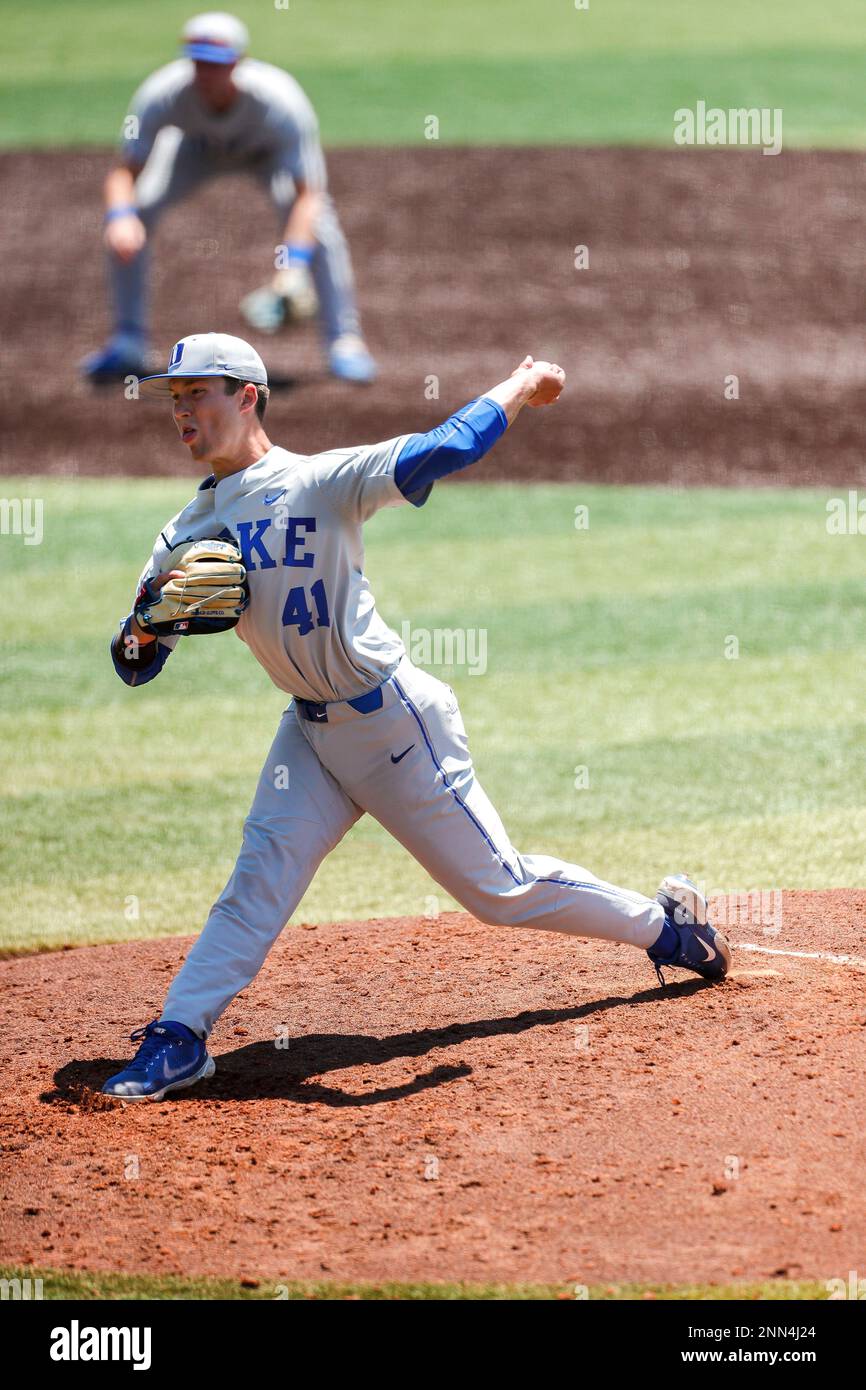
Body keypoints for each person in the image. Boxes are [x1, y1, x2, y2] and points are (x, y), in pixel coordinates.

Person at [102, 331, 731, 1101]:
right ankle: (179, 1036)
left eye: (198, 392)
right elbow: (134, 665)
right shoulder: (183, 534)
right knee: (257, 880)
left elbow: (444, 449)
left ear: (248, 397)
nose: (181, 411)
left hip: (396, 724)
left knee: (499, 891)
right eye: (173, 396)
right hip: (307, 736)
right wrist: (144, 628)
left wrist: (521, 382)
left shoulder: (322, 482)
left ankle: (670, 927)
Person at [81, 12, 376, 386]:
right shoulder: (162, 93)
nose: (206, 73)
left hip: (265, 157)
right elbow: (123, 172)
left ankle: (344, 342)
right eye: (198, 62)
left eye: (215, 64)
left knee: (322, 224)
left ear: (237, 62)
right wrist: (122, 217)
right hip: (194, 150)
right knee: (139, 209)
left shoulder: (280, 101)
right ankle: (128, 340)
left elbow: (308, 195)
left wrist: (292, 268)